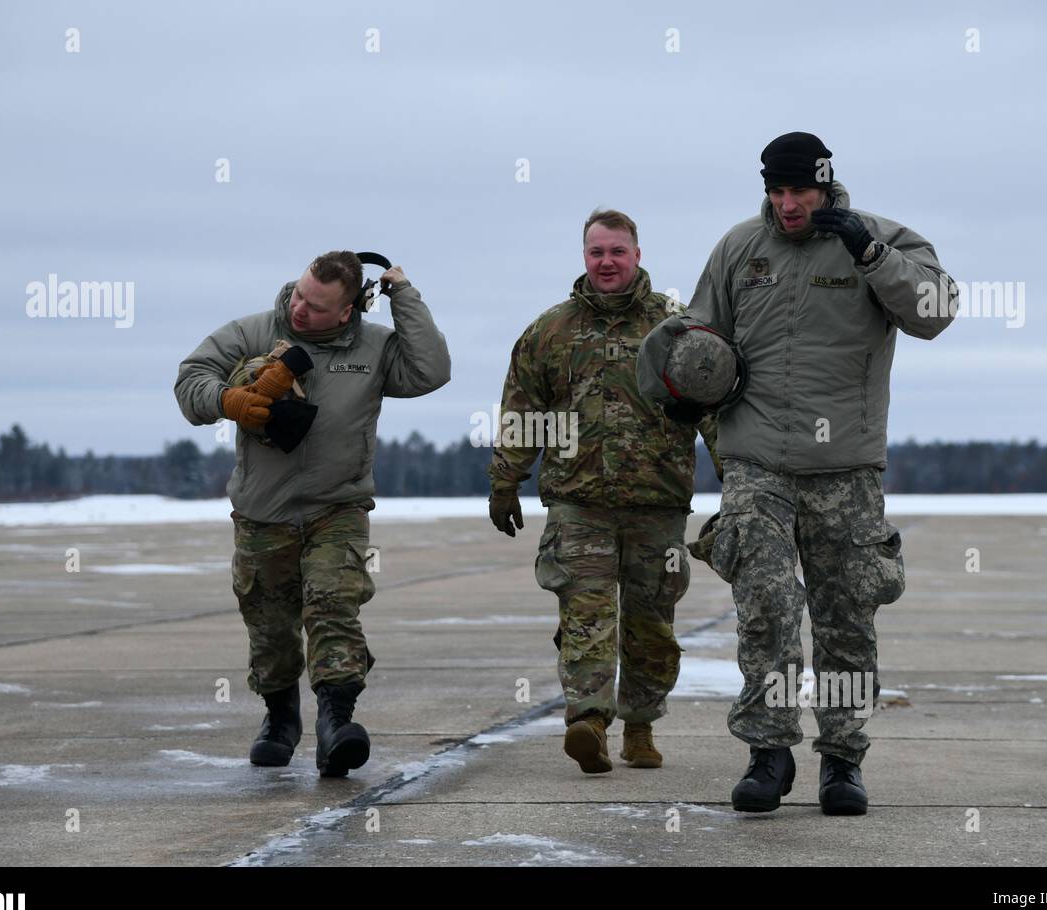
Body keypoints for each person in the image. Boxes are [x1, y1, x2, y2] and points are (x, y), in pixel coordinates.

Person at [638, 132, 960, 814]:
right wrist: (678, 384)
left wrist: (870, 257)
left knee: (845, 619)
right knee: (766, 610)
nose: (788, 205)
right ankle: (768, 751)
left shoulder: (880, 239)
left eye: (800, 192)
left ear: (825, 184)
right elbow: (700, 336)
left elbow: (934, 313)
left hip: (845, 469)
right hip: (757, 463)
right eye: (777, 191)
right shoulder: (738, 249)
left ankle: (842, 761)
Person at [174, 251, 451, 777]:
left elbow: (431, 370)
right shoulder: (254, 331)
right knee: (271, 628)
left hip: (336, 508)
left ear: (347, 311)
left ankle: (335, 724)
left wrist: (404, 295)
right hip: (263, 513)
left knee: (333, 607)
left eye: (318, 306)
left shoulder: (373, 348)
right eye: (299, 295)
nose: (300, 310)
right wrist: (228, 399)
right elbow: (189, 381)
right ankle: (280, 720)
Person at [488, 209, 721, 774]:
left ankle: (640, 726)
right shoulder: (551, 331)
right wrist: (505, 480)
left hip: (657, 502)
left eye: (617, 251)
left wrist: (738, 475)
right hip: (578, 501)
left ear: (637, 255)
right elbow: (523, 409)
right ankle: (587, 720)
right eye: (596, 252)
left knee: (650, 622)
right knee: (586, 613)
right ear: (584, 257)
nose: (607, 262)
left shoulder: (678, 326)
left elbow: (712, 402)